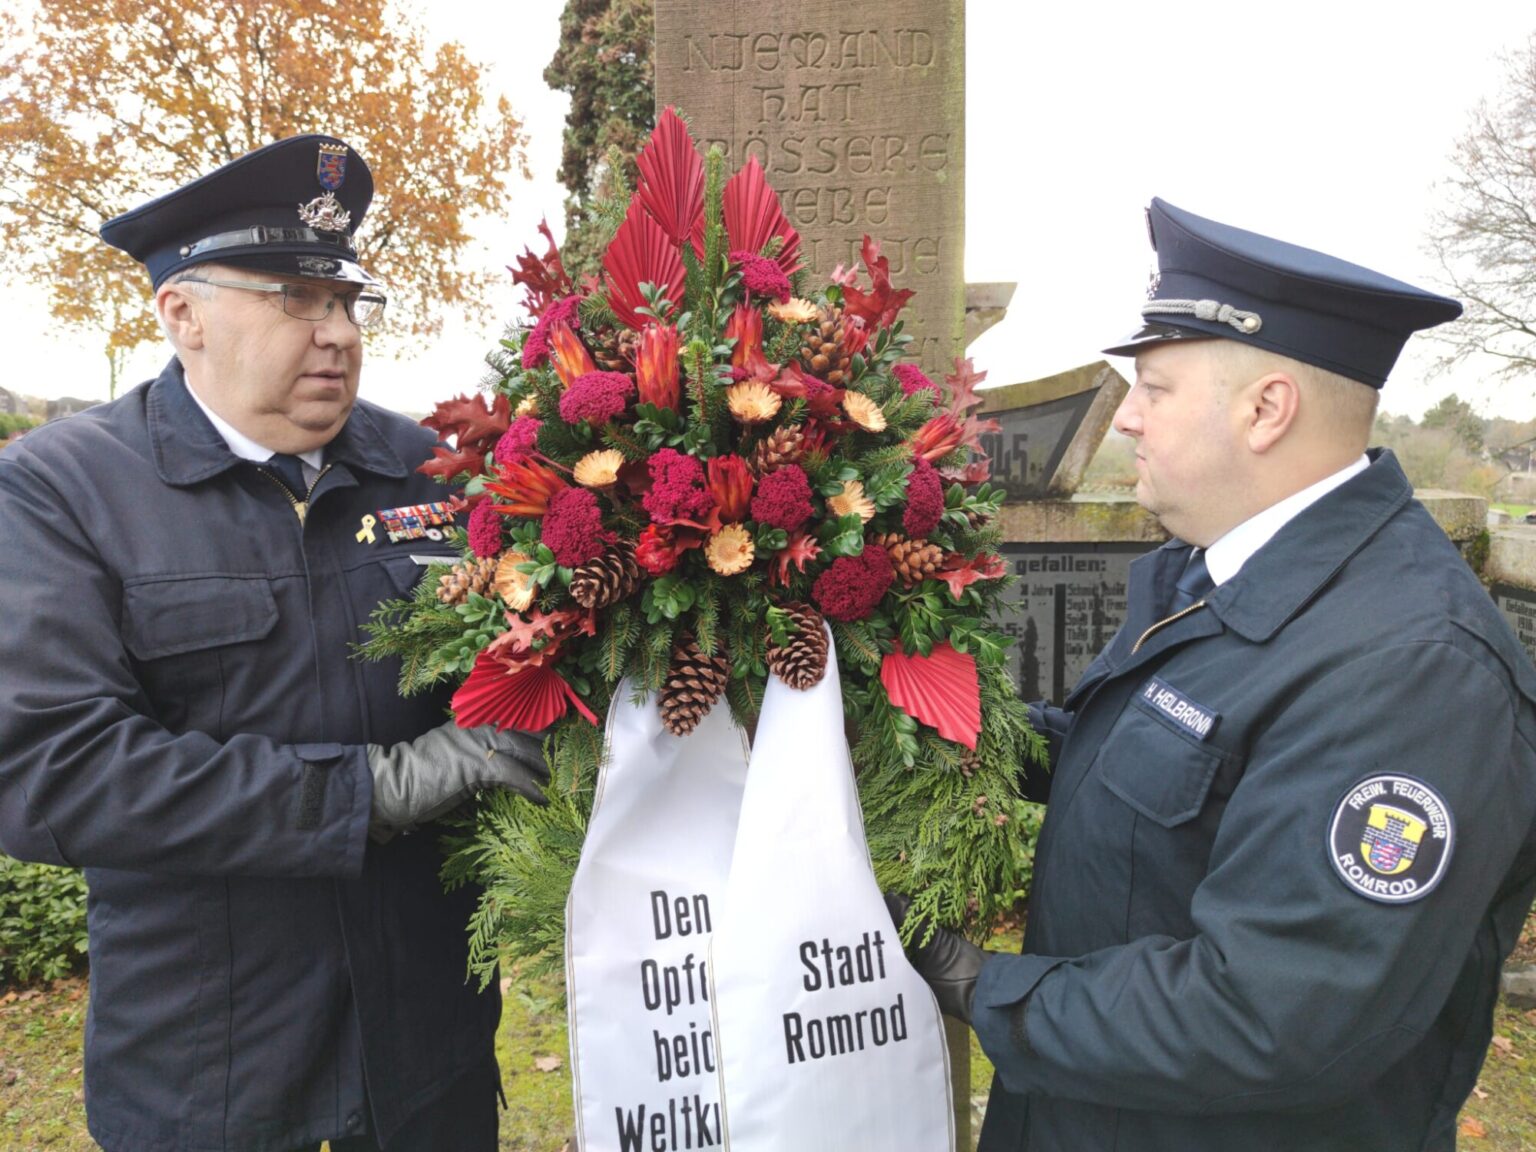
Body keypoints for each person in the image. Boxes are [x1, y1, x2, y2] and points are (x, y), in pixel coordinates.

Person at [894, 198, 1536, 1151]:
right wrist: (935, 719)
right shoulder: (1213, 569)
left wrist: (981, 985)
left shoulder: (1412, 671)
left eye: (1154, 389)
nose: (1130, 424)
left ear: (1266, 408)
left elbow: (1271, 1010)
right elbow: (1143, 768)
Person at [0, 135, 548, 1152]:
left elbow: (529, 672)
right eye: (295, 298)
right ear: (181, 314)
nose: (335, 331)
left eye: (346, 300)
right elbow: (50, 771)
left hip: (427, 1064)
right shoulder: (63, 492)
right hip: (212, 1081)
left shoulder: (430, 473)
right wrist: (371, 791)